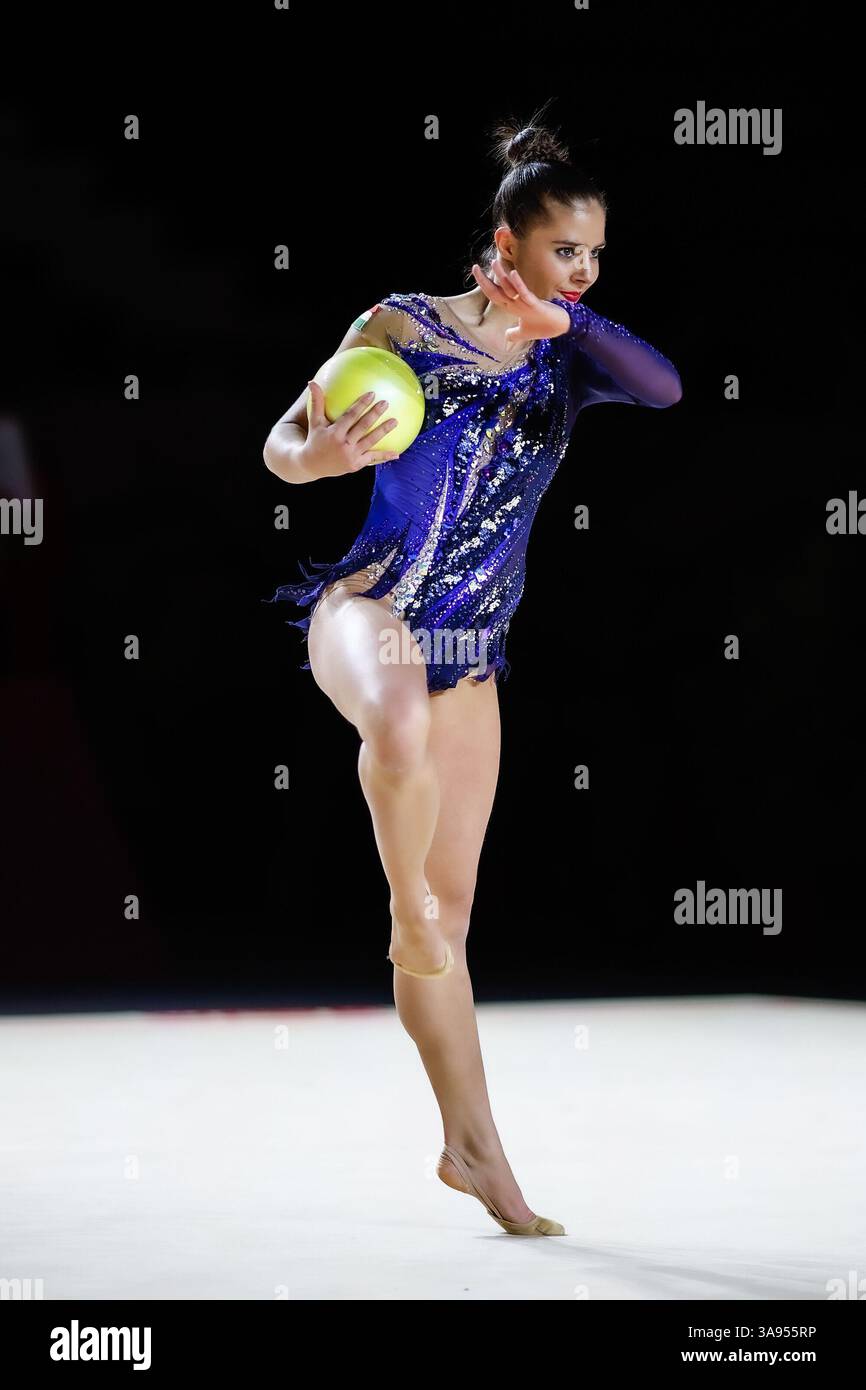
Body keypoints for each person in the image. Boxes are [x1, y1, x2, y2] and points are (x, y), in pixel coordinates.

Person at [263, 110, 682, 1236]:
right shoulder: (396, 324)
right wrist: (324, 452)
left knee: (457, 921)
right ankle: (401, 908)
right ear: (505, 241)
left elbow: (663, 389)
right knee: (394, 738)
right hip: (369, 606)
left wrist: (565, 323)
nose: (583, 270)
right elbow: (282, 445)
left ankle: (474, 1152)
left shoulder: (566, 359)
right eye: (563, 251)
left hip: (473, 656)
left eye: (594, 254)